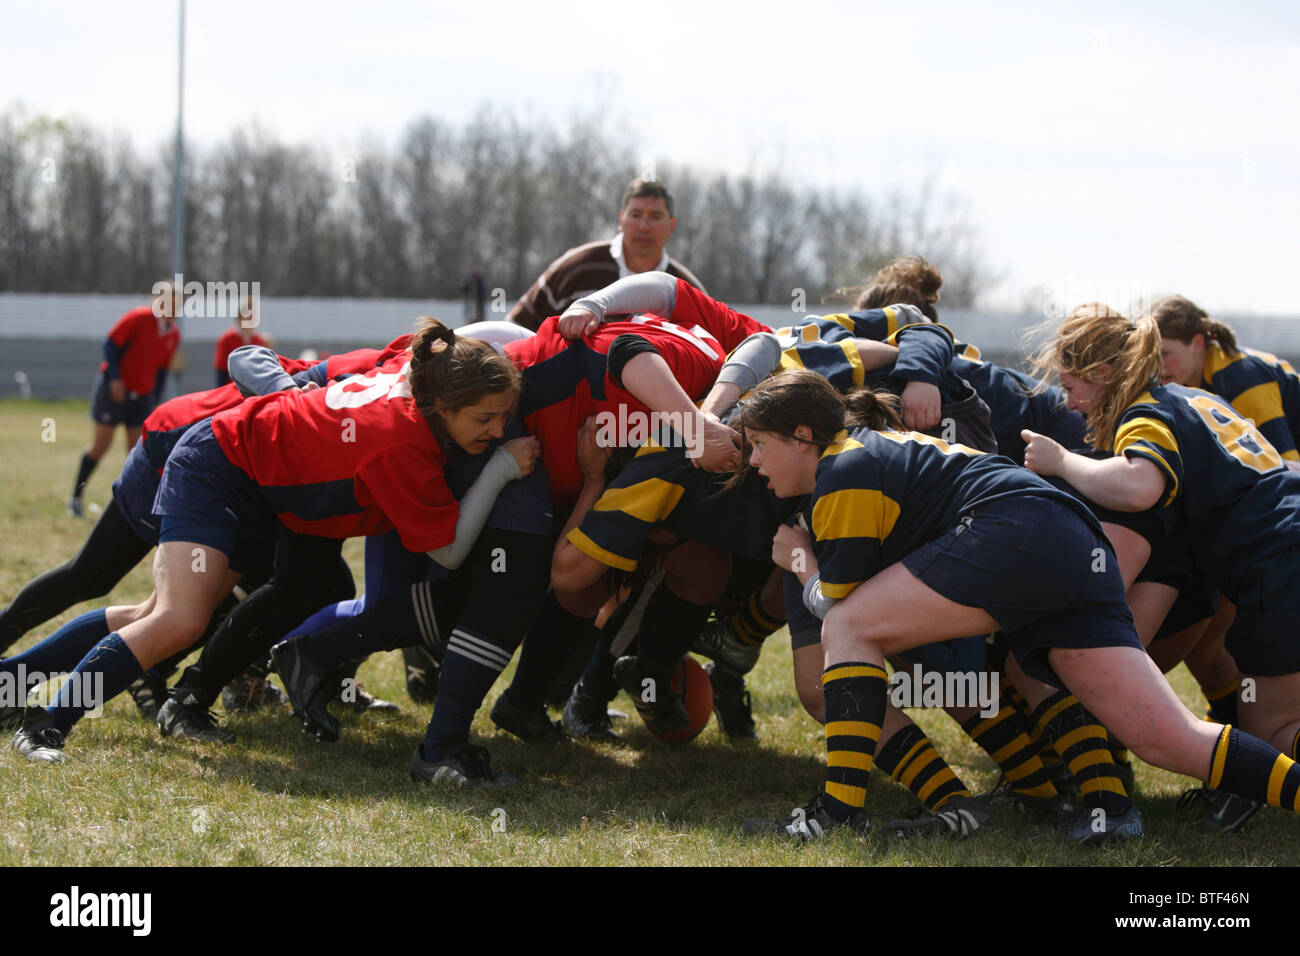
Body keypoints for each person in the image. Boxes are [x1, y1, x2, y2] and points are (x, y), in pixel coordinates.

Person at [738, 368, 1300, 842]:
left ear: (803, 436)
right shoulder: (858, 457)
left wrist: (799, 560)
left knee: (850, 625)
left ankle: (837, 814)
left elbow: (839, 615)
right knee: (1167, 737)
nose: (754, 461)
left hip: (1019, 530)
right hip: (1071, 540)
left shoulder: (843, 468)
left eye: (760, 444)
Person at [11, 320, 538, 766]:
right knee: (177, 619)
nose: (494, 430)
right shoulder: (402, 440)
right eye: (484, 418)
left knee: (153, 614)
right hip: (220, 467)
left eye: (501, 419)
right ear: (443, 404)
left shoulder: (419, 369)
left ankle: (12, 682)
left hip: (256, 483)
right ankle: (44, 727)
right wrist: (501, 468)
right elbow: (447, 551)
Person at [507, 179, 706, 332]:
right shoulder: (576, 267)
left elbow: (716, 356)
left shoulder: (686, 289)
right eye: (636, 215)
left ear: (672, 225)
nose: (644, 227)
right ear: (621, 220)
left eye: (655, 217)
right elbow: (516, 328)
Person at [70, 281, 182, 517]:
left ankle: (125, 508)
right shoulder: (139, 318)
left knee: (135, 452)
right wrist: (114, 379)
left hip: (142, 396)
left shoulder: (173, 334)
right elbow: (110, 345)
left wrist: (154, 400)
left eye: (176, 302)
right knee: (101, 444)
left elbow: (161, 371)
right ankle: (76, 498)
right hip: (115, 390)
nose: (171, 307)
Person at [212, 297, 269, 387]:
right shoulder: (227, 338)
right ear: (239, 318)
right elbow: (221, 369)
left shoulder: (258, 340)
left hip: (253, 390)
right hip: (231, 389)